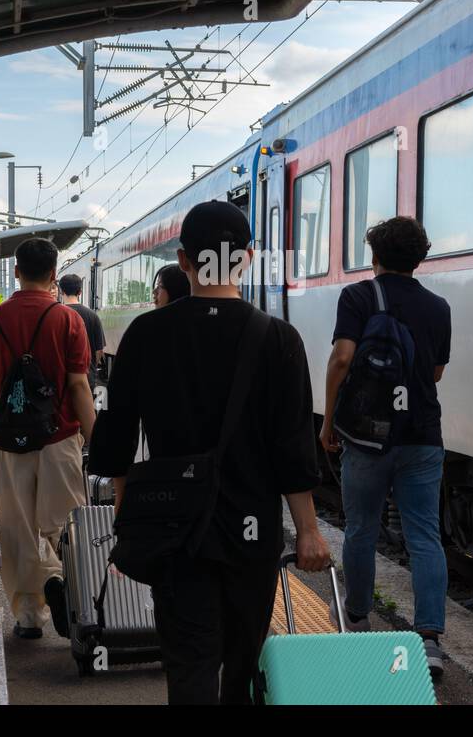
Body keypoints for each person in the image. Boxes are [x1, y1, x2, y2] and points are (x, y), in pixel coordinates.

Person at [90, 200, 330, 705]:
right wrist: (307, 530)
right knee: (242, 666)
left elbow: (114, 434)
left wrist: (124, 504)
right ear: (247, 257)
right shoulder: (278, 339)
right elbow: (293, 445)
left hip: (174, 528)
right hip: (252, 531)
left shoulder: (145, 334)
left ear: (182, 260)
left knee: (189, 663)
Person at [319, 216, 452, 678]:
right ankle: (430, 640)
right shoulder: (439, 306)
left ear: (374, 256)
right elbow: (434, 373)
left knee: (361, 529)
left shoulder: (357, 296)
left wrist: (330, 420)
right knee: (424, 536)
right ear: (420, 258)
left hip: (366, 436)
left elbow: (341, 359)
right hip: (421, 436)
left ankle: (357, 620)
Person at [0, 238, 97, 639]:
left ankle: (28, 618)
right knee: (65, 526)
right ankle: (73, 597)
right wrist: (96, 440)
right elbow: (79, 388)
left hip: (10, 440)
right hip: (60, 438)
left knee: (18, 529)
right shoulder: (68, 320)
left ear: (16, 272)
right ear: (54, 275)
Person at [58, 273, 104, 386]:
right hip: (87, 377)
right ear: (80, 292)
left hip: (60, 378)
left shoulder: (55, 315)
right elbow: (99, 351)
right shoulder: (93, 316)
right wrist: (92, 365)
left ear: (61, 291)